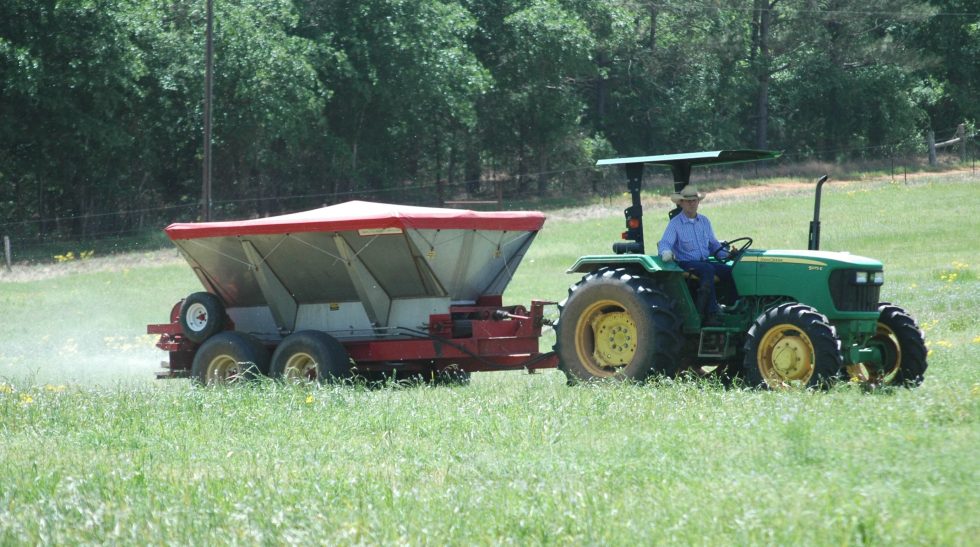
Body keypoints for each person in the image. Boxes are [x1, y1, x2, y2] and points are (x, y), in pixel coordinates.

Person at [657, 185, 737, 324]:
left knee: (732, 270)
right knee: (708, 270)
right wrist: (666, 252)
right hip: (686, 264)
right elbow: (665, 243)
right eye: (688, 201)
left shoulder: (704, 221)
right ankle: (710, 313)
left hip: (705, 262)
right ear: (681, 203)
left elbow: (713, 245)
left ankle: (733, 306)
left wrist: (728, 255)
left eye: (694, 200)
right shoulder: (675, 224)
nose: (692, 203)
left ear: (698, 202)